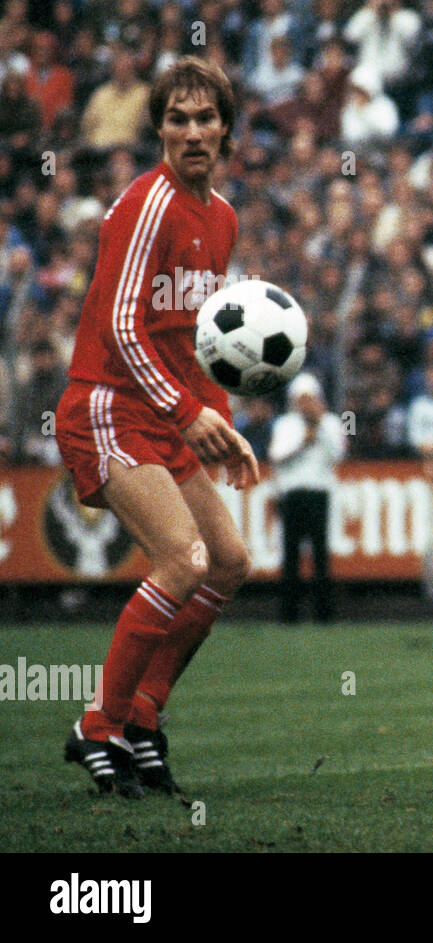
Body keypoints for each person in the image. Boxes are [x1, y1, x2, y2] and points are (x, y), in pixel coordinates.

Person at [55, 57, 257, 798]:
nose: (194, 131)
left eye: (207, 118)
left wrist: (221, 424)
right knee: (183, 559)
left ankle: (143, 717)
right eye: (178, 118)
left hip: (167, 409)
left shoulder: (223, 216)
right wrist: (187, 412)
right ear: (160, 130)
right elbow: (118, 324)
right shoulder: (150, 202)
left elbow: (203, 343)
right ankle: (96, 726)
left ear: (227, 129)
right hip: (107, 404)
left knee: (230, 562)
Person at [269, 373, 345, 624]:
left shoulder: (332, 423)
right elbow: (276, 455)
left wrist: (319, 427)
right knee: (290, 554)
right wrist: (303, 442)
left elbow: (339, 454)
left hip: (319, 494)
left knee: (321, 554)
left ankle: (324, 614)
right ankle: (289, 614)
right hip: (292, 495)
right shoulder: (285, 424)